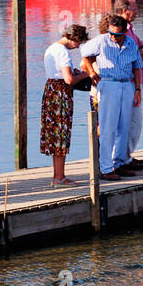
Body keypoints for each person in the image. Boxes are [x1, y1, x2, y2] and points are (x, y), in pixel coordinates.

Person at [81, 14, 143, 179]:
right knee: (108, 127)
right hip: (109, 84)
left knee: (125, 126)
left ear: (124, 32)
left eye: (117, 34)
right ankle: (105, 168)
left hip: (127, 84)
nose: (113, 37)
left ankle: (119, 163)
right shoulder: (101, 41)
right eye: (111, 33)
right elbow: (84, 52)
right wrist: (91, 71)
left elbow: (137, 66)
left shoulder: (130, 43)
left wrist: (137, 89)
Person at [41, 23, 90, 186]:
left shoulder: (51, 48)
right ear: (74, 38)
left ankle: (57, 176)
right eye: (79, 42)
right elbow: (69, 80)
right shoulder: (63, 52)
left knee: (55, 134)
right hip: (60, 93)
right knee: (61, 133)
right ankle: (59, 177)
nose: (78, 46)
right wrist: (85, 75)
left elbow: (58, 73)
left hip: (50, 90)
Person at [112, 0, 143, 170]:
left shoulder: (130, 29)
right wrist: (138, 55)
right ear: (124, 11)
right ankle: (120, 159)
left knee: (134, 122)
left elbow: (141, 46)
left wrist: (140, 52)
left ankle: (125, 156)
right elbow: (129, 56)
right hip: (130, 83)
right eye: (134, 9)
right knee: (130, 122)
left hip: (136, 82)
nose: (137, 12)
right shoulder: (120, 32)